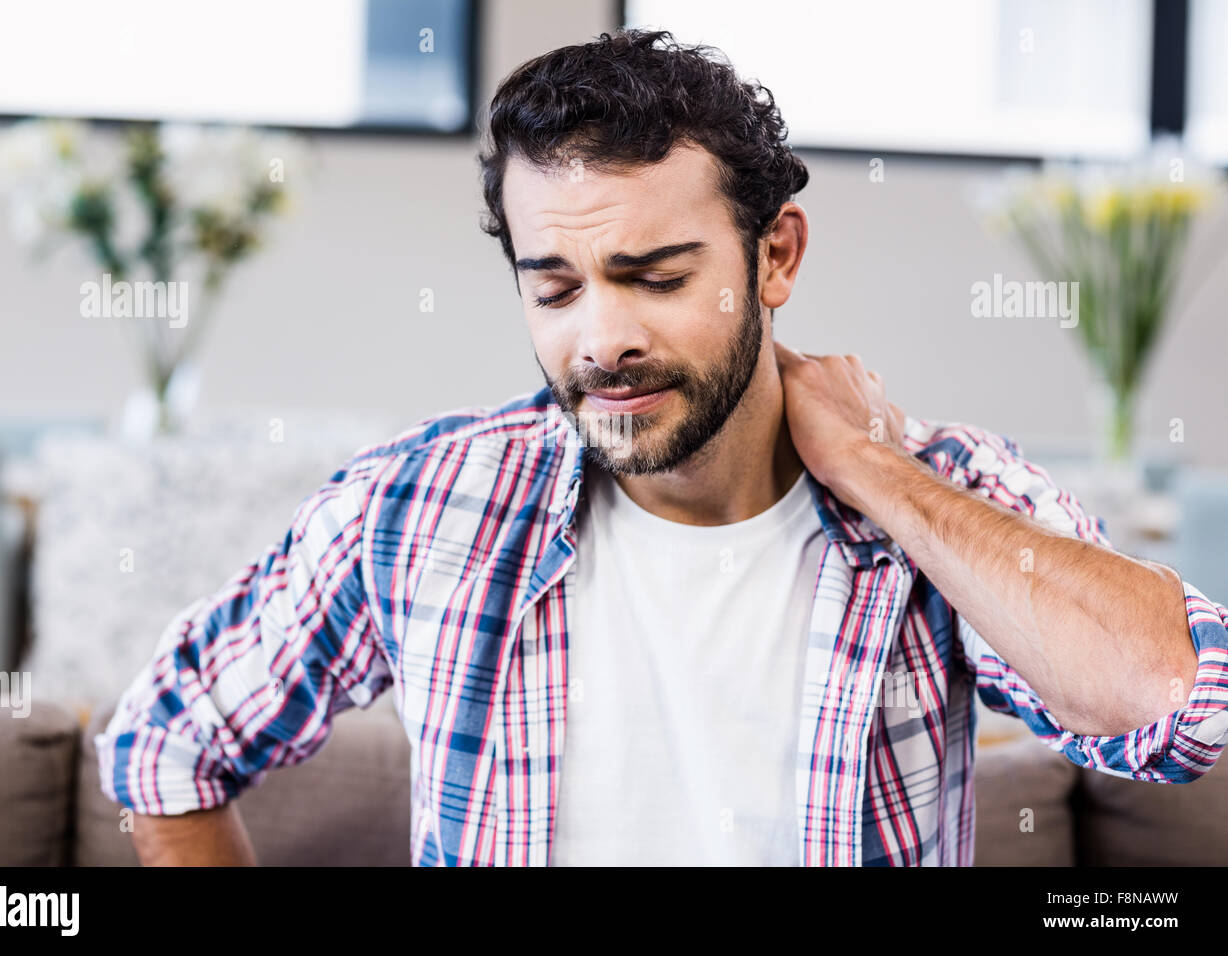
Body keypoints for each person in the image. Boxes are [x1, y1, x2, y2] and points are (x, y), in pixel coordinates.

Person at [96, 28, 1228, 866]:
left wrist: (876, 473)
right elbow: (165, 741)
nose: (603, 340)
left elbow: (1179, 707)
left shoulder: (935, 496)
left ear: (775, 256)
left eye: (657, 277)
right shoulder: (421, 507)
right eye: (555, 288)